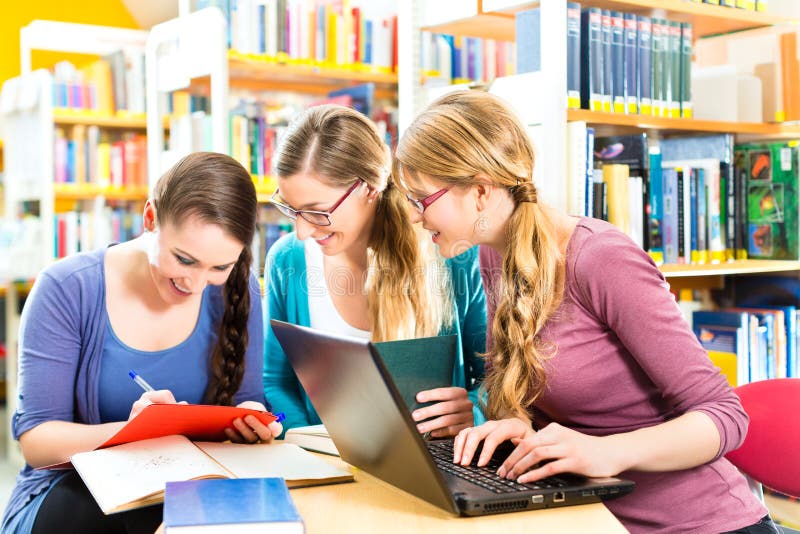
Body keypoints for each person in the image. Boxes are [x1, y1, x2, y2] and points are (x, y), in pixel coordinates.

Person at [393, 90, 777, 534]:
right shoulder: (492, 255)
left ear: (480, 191)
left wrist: (608, 451)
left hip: (695, 525)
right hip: (585, 516)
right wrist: (511, 424)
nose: (415, 216)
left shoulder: (601, 258)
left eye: (421, 199)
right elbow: (520, 390)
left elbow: (725, 414)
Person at [2, 152, 283, 534]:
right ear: (150, 219)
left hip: (191, 489)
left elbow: (243, 401)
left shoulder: (240, 289)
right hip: (74, 496)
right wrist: (136, 432)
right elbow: (38, 442)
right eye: (184, 259)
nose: (197, 284)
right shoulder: (67, 288)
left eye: (220, 267)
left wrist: (250, 418)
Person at [264, 104, 486, 438]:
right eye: (291, 209)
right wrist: (306, 441)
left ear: (369, 188)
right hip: (326, 469)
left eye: (318, 212)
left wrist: (474, 409)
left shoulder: (453, 255)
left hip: (437, 465)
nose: (302, 231)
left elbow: (494, 378)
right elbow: (275, 381)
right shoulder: (288, 260)